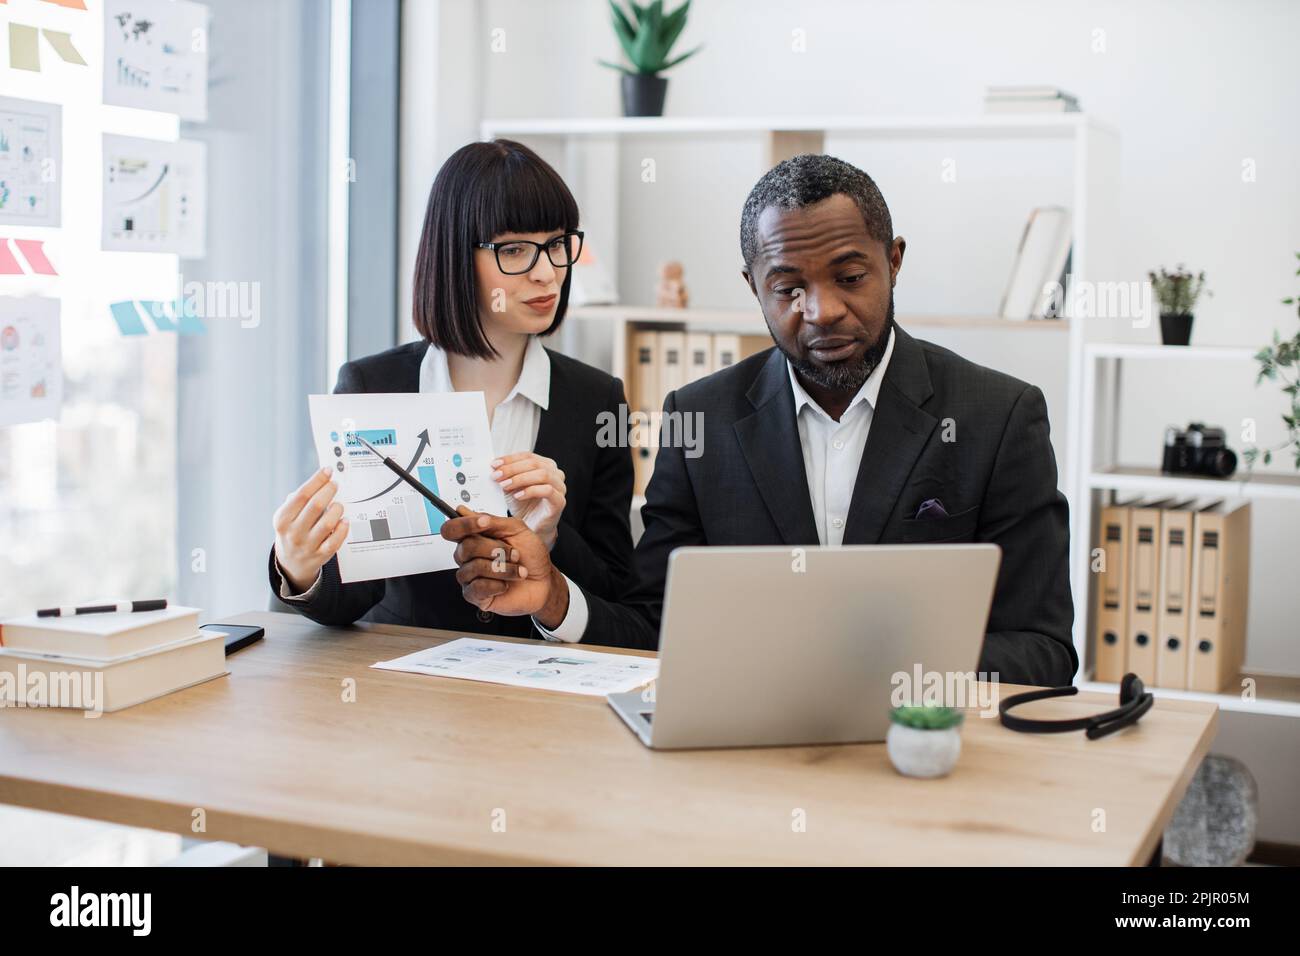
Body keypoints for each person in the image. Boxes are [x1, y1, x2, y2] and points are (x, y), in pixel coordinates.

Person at [439, 153, 1077, 687]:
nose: (822, 310)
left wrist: (882, 670)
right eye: (787, 287)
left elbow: (1045, 654)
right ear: (753, 286)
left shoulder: (999, 417)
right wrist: (552, 594)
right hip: (746, 763)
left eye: (851, 276)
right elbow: (653, 626)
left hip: (926, 746)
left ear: (895, 261)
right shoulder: (699, 421)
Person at [268, 139, 633, 637]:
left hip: (540, 690)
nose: (548, 272)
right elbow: (352, 593)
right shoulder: (372, 386)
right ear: (455, 256)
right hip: (404, 686)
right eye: (516, 250)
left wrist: (548, 537)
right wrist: (299, 566)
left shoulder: (597, 400)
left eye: (557, 243)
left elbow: (619, 596)